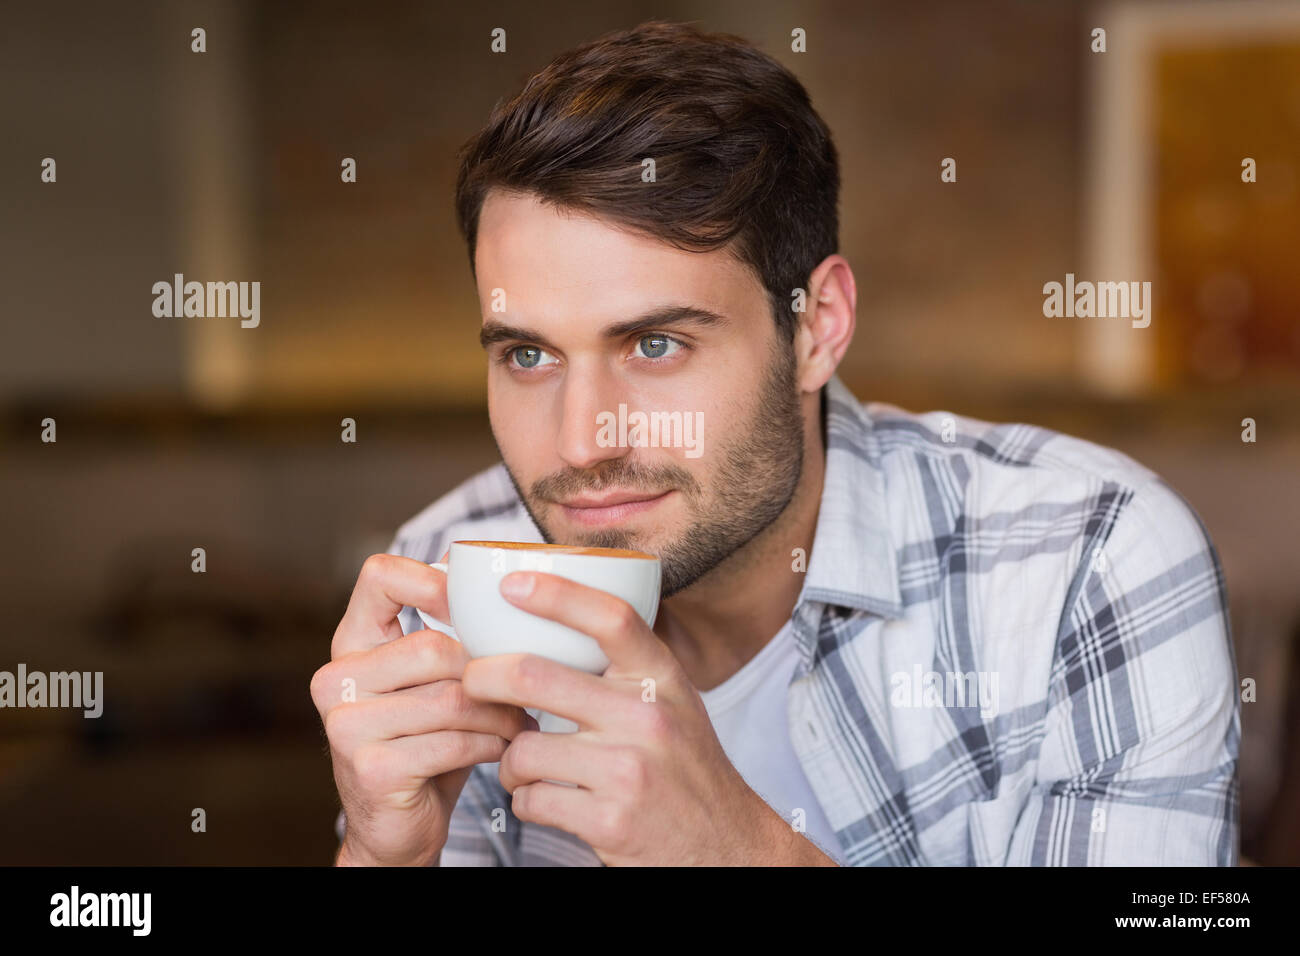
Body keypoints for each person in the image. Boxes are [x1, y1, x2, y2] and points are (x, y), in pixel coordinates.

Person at [310, 20, 1239, 866]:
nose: (584, 440)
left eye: (656, 343)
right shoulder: (446, 573)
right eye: (527, 354)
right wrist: (387, 857)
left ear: (818, 327)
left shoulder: (1089, 556)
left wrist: (740, 850)